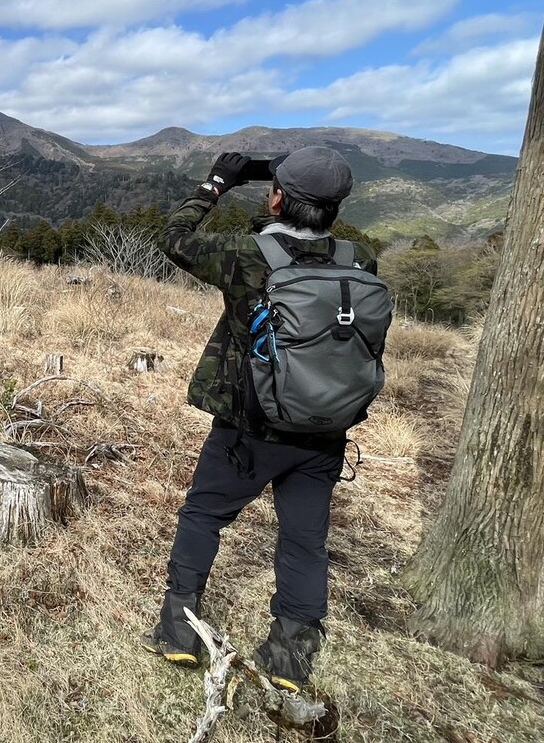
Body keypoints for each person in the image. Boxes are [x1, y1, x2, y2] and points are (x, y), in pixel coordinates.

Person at [141, 146, 375, 688]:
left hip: (252, 425)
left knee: (203, 513)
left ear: (276, 199)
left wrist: (216, 184)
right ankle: (290, 656)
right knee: (304, 539)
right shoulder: (361, 260)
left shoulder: (250, 258)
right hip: (325, 429)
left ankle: (179, 629)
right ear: (335, 208)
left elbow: (173, 238)